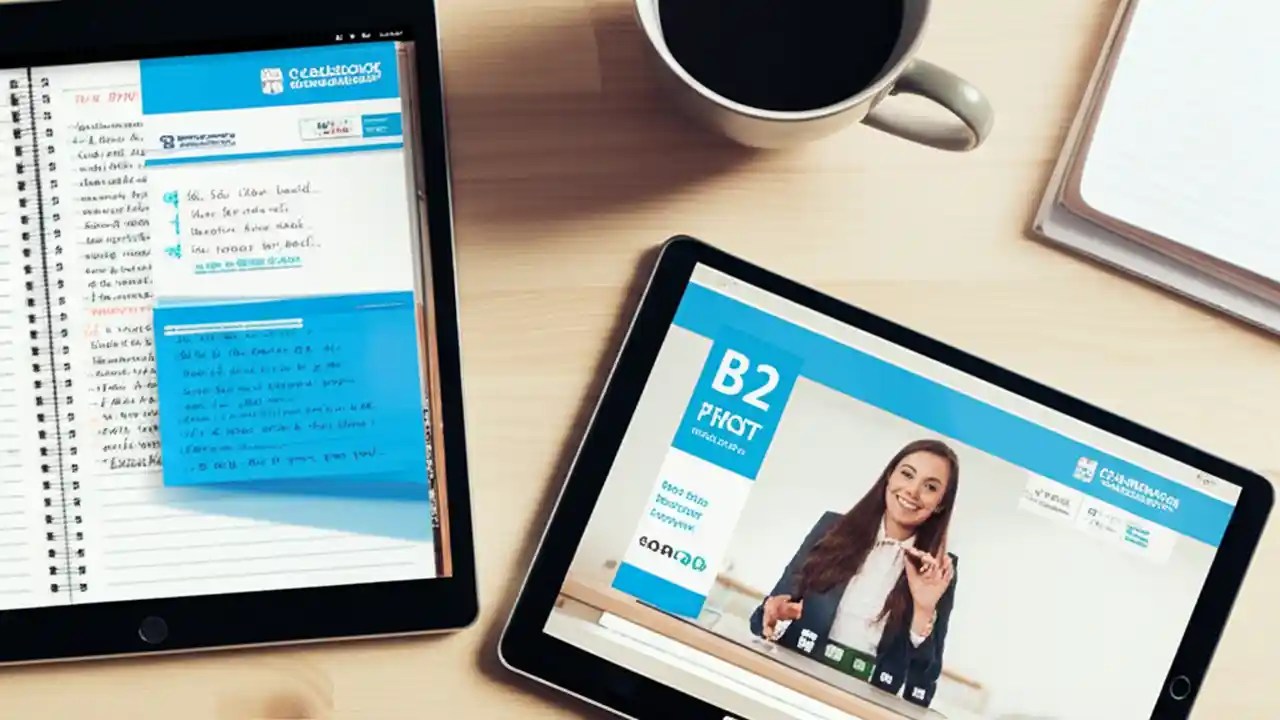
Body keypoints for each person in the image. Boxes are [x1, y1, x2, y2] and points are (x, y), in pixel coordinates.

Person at [748, 439, 960, 708]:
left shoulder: (939, 570)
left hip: (862, 706)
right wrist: (775, 616)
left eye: (930, 487)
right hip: (795, 688)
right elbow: (761, 619)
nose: (912, 491)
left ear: (941, 503)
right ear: (889, 476)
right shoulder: (832, 528)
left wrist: (923, 611)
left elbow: (922, 683)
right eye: (907, 474)